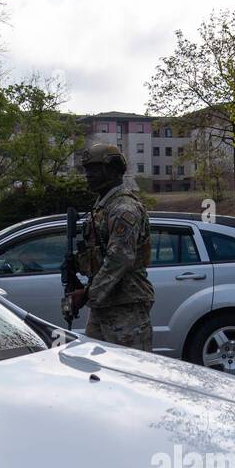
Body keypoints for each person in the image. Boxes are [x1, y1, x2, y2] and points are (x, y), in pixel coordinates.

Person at [65, 144, 154, 351]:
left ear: (113, 170)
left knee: (131, 371)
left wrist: (87, 294)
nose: (88, 175)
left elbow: (120, 259)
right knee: (98, 372)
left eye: (94, 169)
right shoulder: (103, 206)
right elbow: (101, 251)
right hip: (105, 303)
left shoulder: (123, 209)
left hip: (126, 306)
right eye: (86, 170)